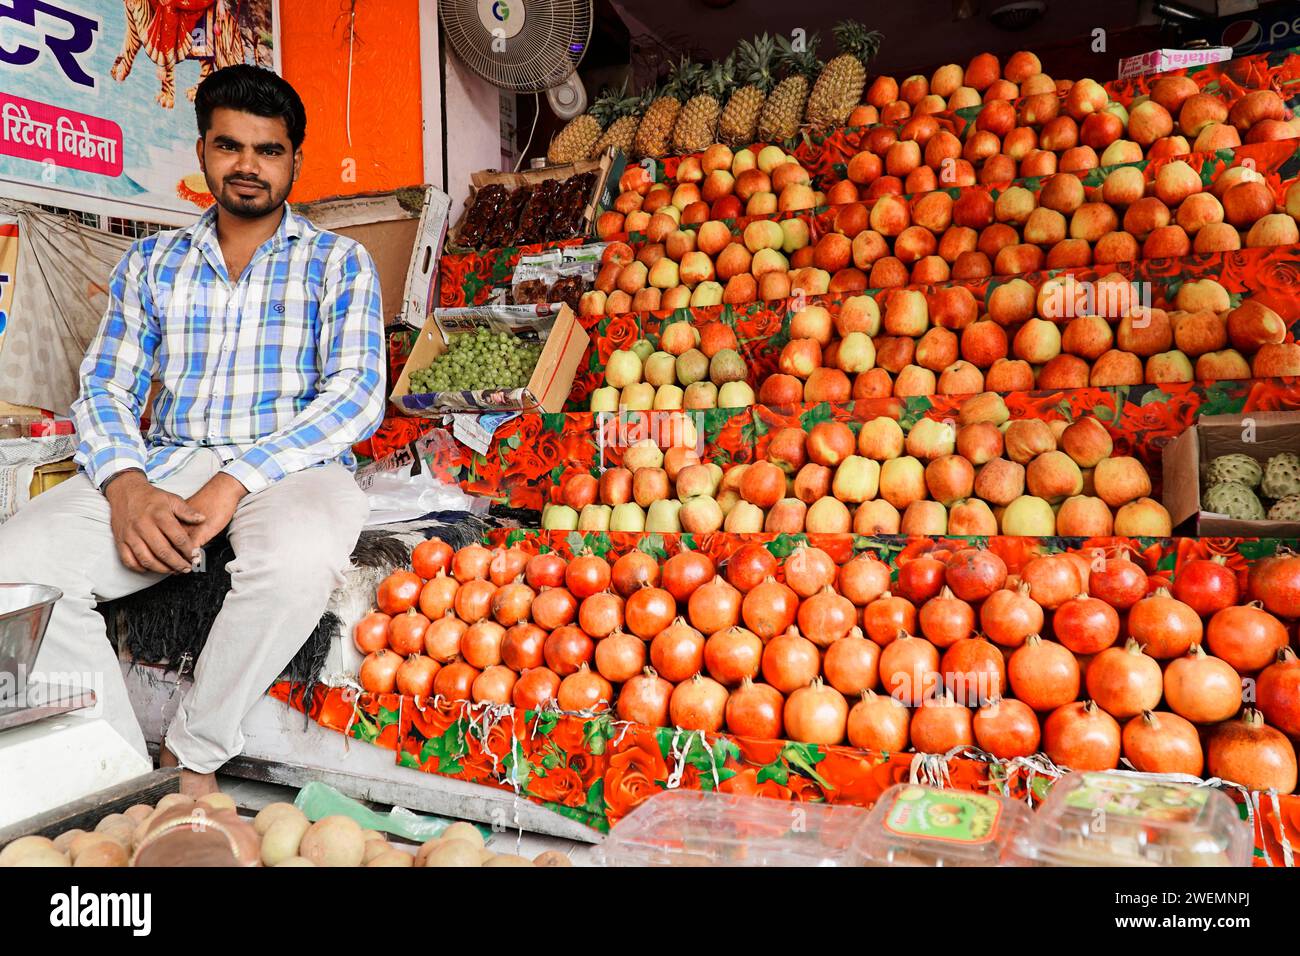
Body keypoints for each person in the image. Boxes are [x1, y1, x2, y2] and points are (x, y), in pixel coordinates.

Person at [0, 65, 384, 795]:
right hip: (167, 461)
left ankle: (192, 756)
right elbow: (106, 385)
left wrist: (236, 481)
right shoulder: (152, 262)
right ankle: (112, 775)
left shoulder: (338, 262)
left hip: (294, 463)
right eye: (229, 146)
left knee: (300, 561)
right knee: (15, 562)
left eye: (268, 150)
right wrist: (125, 483)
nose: (248, 166)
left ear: (294, 159)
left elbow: (357, 396)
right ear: (203, 152)